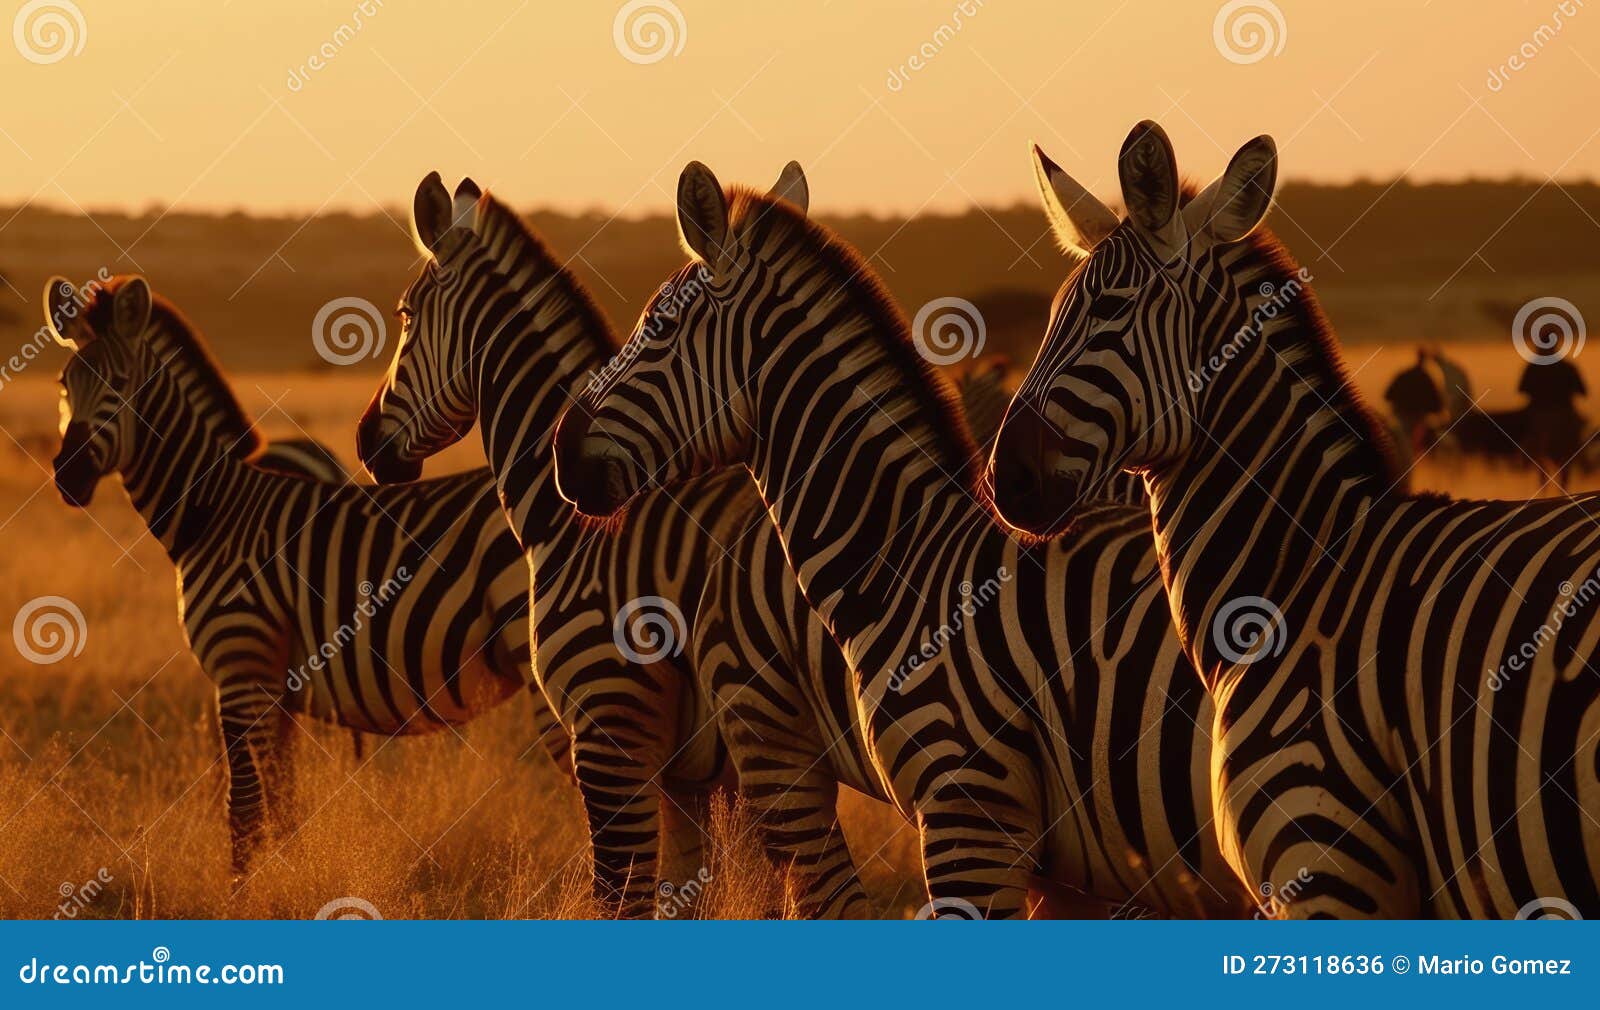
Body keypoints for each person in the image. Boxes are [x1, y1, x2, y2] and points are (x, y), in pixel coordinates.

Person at [1518, 356, 1588, 486]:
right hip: (1565, 414)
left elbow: (1522, 389)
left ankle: (1529, 470)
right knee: (1573, 447)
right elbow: (1583, 391)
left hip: (1538, 415)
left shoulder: (1533, 368)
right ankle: (1580, 469)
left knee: (1530, 443)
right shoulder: (1568, 367)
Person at [1384, 348, 1443, 458]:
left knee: (1403, 440)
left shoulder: (1405, 375)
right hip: (1417, 417)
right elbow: (1437, 403)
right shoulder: (1426, 378)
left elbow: (1387, 395)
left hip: (1402, 416)